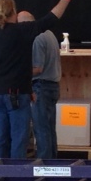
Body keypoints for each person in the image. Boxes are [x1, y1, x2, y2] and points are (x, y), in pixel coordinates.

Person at [0, 0, 77, 160]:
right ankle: (16, 177)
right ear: (13, 12)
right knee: (19, 138)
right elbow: (52, 17)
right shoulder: (23, 31)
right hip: (18, 94)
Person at [28, 12, 63, 160]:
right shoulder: (50, 34)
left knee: (41, 129)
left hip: (41, 87)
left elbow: (38, 68)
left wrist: (17, 73)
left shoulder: (37, 38)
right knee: (49, 128)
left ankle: (44, 165)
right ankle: (52, 162)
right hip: (53, 86)